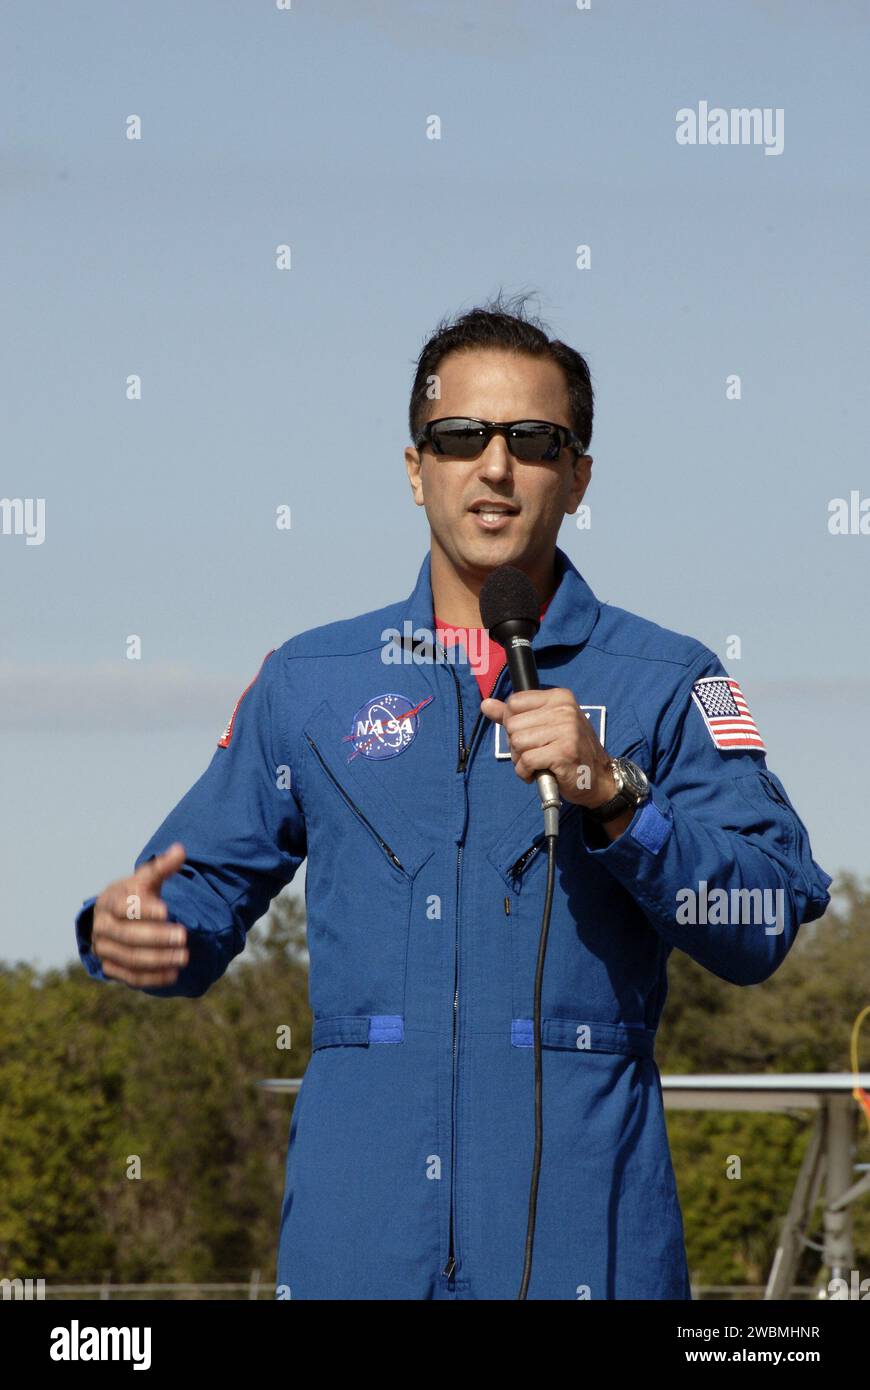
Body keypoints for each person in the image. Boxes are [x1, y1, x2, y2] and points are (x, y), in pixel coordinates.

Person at [74, 296, 831, 1300]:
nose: (495, 464)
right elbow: (197, 890)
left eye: (533, 439)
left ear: (579, 475)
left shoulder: (667, 677)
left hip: (588, 1245)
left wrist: (618, 798)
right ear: (415, 466)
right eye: (461, 435)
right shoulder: (314, 679)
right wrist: (132, 930)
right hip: (359, 1244)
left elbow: (764, 914)